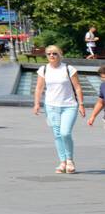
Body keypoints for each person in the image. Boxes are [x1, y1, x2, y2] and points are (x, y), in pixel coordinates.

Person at [32, 46, 86, 174]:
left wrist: (81, 104)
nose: (51, 56)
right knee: (57, 135)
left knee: (65, 133)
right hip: (51, 106)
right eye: (48, 54)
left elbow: (78, 88)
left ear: (60, 54)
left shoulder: (69, 69)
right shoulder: (43, 70)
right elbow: (39, 88)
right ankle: (62, 162)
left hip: (69, 105)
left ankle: (70, 160)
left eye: (54, 53)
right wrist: (36, 104)